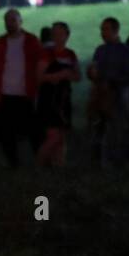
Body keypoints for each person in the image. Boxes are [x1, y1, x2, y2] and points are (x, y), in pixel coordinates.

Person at [0, 8, 44, 167]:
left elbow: (39, 64)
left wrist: (37, 89)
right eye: (7, 20)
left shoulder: (31, 41)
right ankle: (13, 162)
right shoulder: (0, 42)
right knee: (5, 131)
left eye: (13, 20)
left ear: (20, 21)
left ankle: (40, 159)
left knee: (33, 130)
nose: (9, 23)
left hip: (25, 93)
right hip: (5, 93)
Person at [86, 17, 129, 164]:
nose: (102, 32)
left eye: (106, 29)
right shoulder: (100, 50)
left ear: (115, 31)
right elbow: (94, 71)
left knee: (116, 131)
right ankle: (98, 162)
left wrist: (111, 81)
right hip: (100, 96)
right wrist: (92, 74)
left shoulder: (125, 51)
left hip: (117, 97)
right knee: (98, 130)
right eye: (102, 29)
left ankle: (117, 163)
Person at [35, 21, 80, 167]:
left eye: (60, 33)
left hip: (64, 99)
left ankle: (58, 166)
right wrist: (59, 75)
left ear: (67, 35)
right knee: (53, 136)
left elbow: (77, 76)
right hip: (49, 100)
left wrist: (69, 75)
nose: (56, 36)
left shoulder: (70, 54)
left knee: (61, 137)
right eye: (54, 33)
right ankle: (40, 165)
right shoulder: (46, 54)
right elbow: (39, 77)